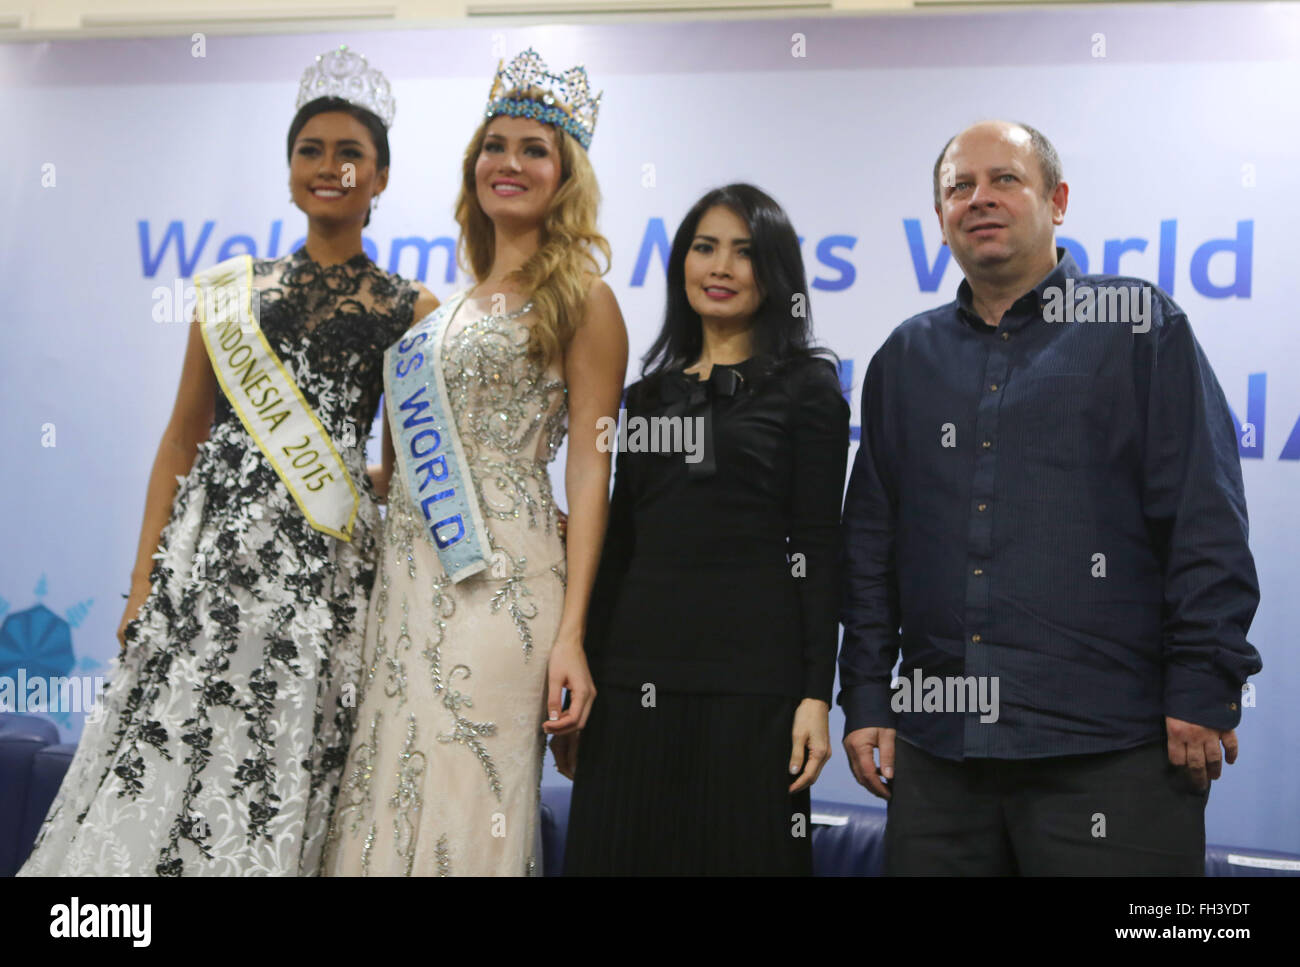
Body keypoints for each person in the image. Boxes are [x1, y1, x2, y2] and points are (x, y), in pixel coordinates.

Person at [17, 46, 437, 876]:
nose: (329, 167)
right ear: (289, 170)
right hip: (211, 566)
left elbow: (400, 471)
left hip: (325, 575)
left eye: (350, 152)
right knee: (175, 744)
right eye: (311, 150)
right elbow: (181, 437)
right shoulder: (228, 293)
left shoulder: (411, 308)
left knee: (281, 757)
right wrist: (142, 582)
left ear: (380, 177)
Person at [839, 120, 1262, 875]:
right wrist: (868, 696)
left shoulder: (1139, 326)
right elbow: (871, 549)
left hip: (1115, 752)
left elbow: (1206, 521)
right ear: (939, 219)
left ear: (1057, 200)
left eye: (1005, 179)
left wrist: (1204, 683)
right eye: (958, 188)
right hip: (941, 760)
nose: (980, 199)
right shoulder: (906, 356)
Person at [321, 49, 626, 877]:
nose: (511, 163)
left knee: (468, 794)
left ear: (565, 175)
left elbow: (592, 473)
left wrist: (573, 635)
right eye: (496, 145)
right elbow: (404, 471)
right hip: (407, 587)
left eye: (535, 148)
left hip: (506, 593)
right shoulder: (437, 308)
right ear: (473, 166)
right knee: (387, 786)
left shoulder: (584, 299)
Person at [561, 184, 850, 876]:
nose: (720, 267)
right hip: (631, 684)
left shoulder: (809, 387)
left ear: (775, 272)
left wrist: (816, 693)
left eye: (745, 253)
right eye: (705, 247)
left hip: (752, 691)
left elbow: (818, 545)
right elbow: (623, 539)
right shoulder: (647, 395)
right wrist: (587, 675)